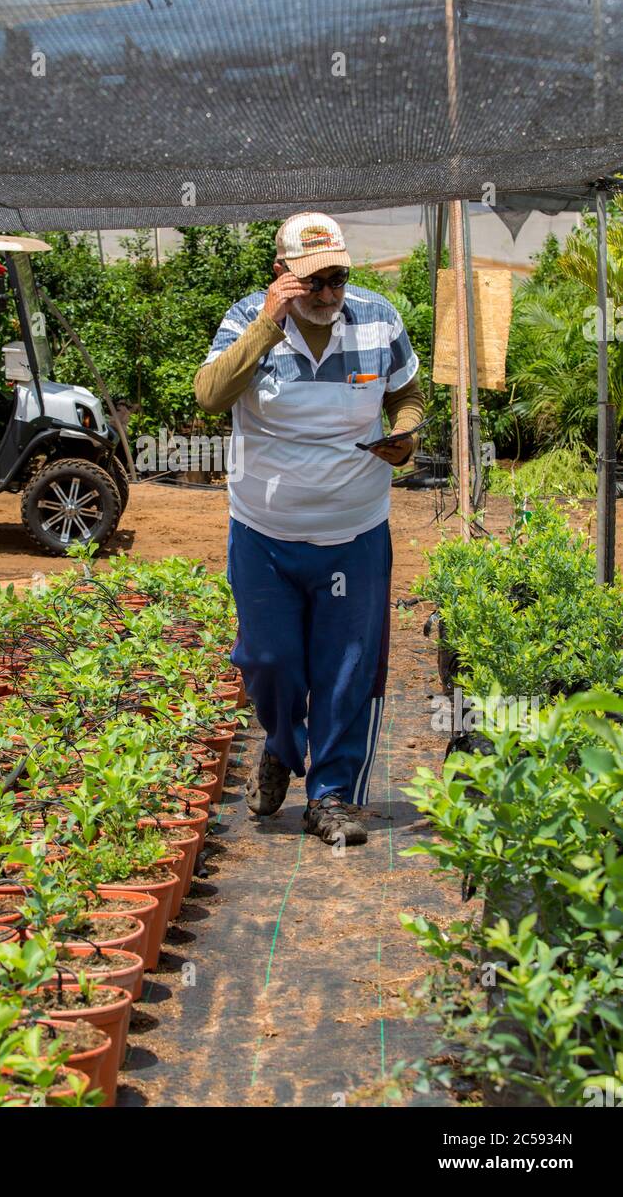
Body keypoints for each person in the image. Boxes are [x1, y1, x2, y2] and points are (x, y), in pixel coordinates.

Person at [194, 213, 424, 847]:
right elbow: (211, 395)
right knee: (267, 661)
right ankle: (282, 741)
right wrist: (269, 323)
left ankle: (330, 796)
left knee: (348, 667)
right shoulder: (249, 320)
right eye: (314, 281)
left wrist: (403, 438)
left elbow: (407, 393)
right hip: (265, 533)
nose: (328, 295)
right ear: (283, 276)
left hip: (355, 531)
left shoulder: (377, 318)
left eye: (338, 279)